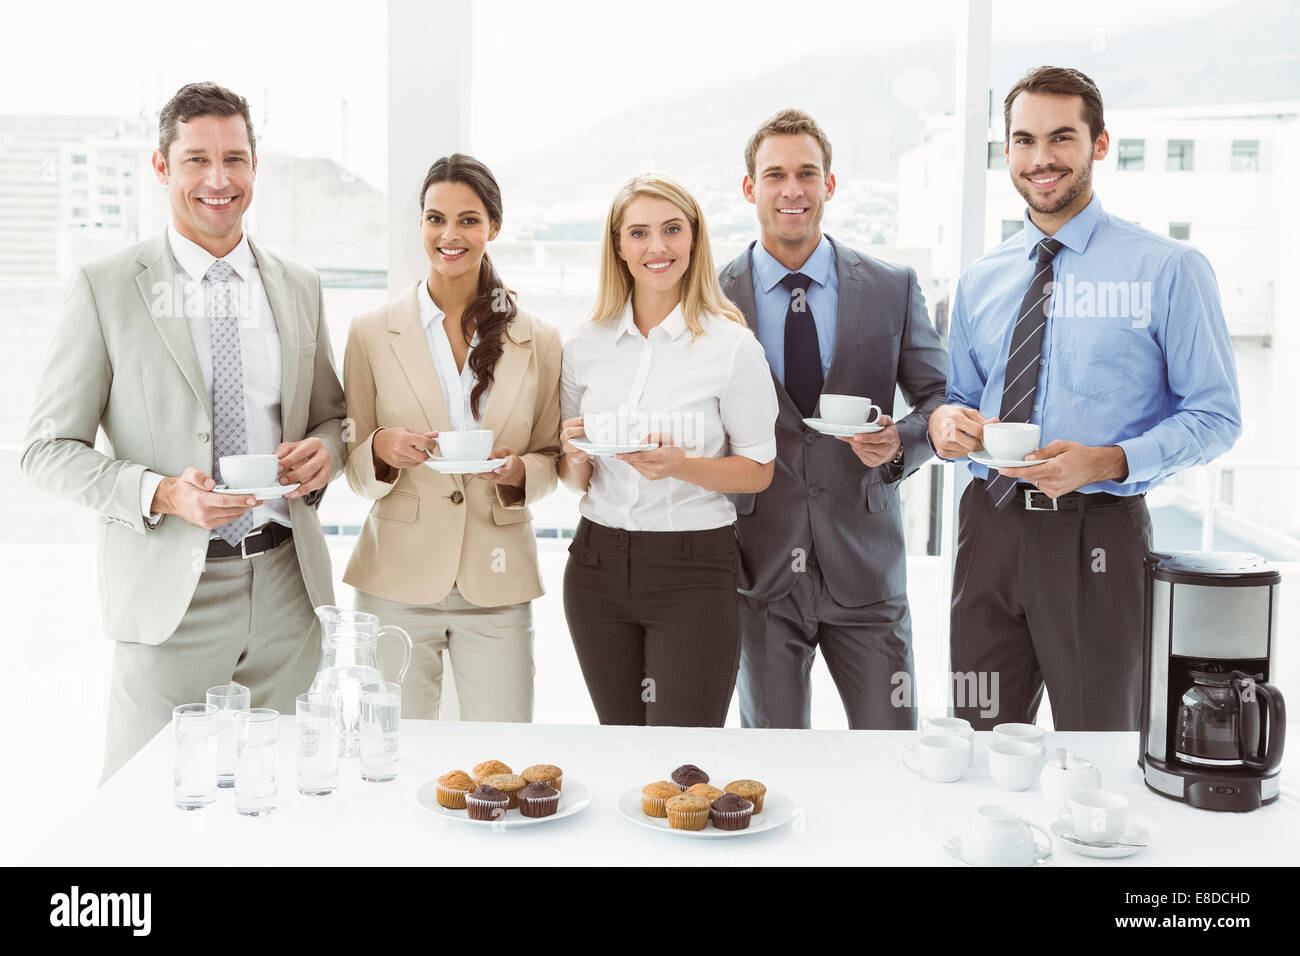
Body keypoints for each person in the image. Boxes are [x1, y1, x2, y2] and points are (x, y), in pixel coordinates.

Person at [21, 82, 348, 780]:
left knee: (277, 800)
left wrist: (326, 451)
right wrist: (163, 493)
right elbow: (46, 450)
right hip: (170, 600)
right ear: (162, 168)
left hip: (289, 591)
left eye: (235, 158)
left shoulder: (299, 285)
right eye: (197, 159)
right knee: (143, 815)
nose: (219, 179)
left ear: (256, 166)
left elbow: (332, 415)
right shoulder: (108, 287)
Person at [928, 66, 1242, 731]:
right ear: (1007, 150)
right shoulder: (981, 279)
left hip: (1098, 535)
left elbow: (1215, 416)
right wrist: (947, 424)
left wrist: (1105, 460)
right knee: (978, 744)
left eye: (1061, 138)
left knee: (1099, 749)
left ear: (1099, 144)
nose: (1041, 159)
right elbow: (959, 397)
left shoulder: (1168, 268)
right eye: (1023, 140)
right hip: (988, 526)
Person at [718, 109, 947, 730]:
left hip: (867, 570)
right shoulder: (711, 298)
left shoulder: (891, 287)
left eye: (807, 174)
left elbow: (940, 399)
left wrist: (898, 441)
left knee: (894, 756)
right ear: (750, 188)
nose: (792, 190)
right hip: (758, 574)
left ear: (829, 185)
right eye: (775, 175)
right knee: (774, 768)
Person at [342, 154, 562, 722]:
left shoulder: (538, 338)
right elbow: (354, 464)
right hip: (395, 580)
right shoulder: (370, 332)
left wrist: (519, 473)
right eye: (435, 218)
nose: (450, 234)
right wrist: (381, 450)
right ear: (419, 225)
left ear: (494, 226)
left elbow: (549, 456)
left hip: (497, 583)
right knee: (388, 754)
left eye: (468, 219)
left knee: (503, 761)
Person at [559, 172, 778, 727]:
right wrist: (577, 453)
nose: (656, 247)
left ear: (693, 239)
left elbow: (758, 471)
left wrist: (683, 467)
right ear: (618, 246)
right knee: (621, 742)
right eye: (638, 233)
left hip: (694, 571)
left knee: (682, 754)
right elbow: (574, 481)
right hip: (596, 565)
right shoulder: (586, 345)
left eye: (671, 230)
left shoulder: (730, 346)